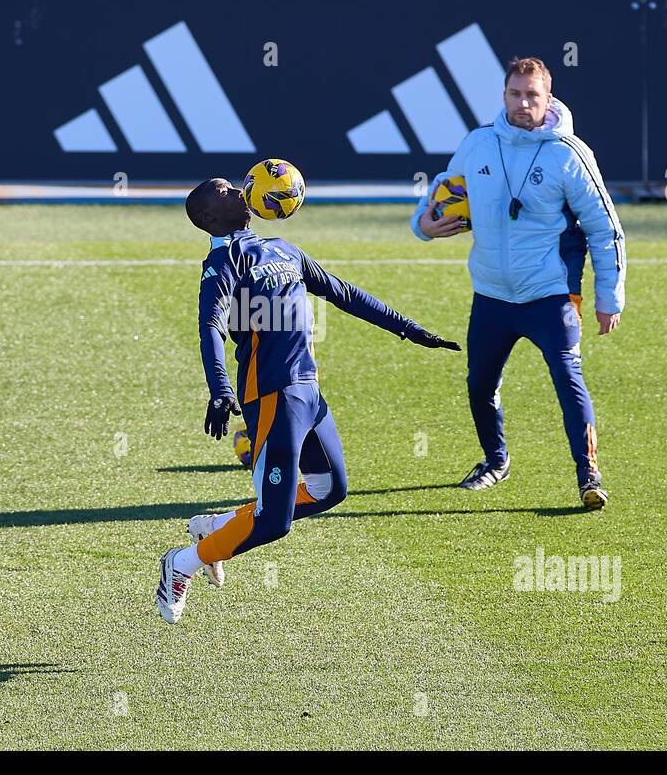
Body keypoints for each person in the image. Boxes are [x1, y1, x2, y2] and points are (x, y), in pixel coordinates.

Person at [155, 177, 461, 623]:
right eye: (222, 190)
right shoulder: (223, 263)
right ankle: (181, 562)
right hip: (272, 394)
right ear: (206, 218)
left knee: (329, 489)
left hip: (308, 390)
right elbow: (210, 327)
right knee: (273, 523)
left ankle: (217, 528)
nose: (237, 189)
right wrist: (220, 387)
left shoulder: (283, 248)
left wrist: (408, 329)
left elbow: (345, 293)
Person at [410, 56, 626, 509]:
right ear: (504, 95)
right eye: (515, 93)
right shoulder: (479, 144)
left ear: (548, 99)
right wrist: (424, 226)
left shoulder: (569, 154)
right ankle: (495, 460)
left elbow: (605, 228)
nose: (523, 103)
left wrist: (609, 296)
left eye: (532, 95)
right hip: (490, 295)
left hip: (550, 295)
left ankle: (588, 475)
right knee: (478, 385)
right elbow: (438, 196)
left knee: (569, 380)